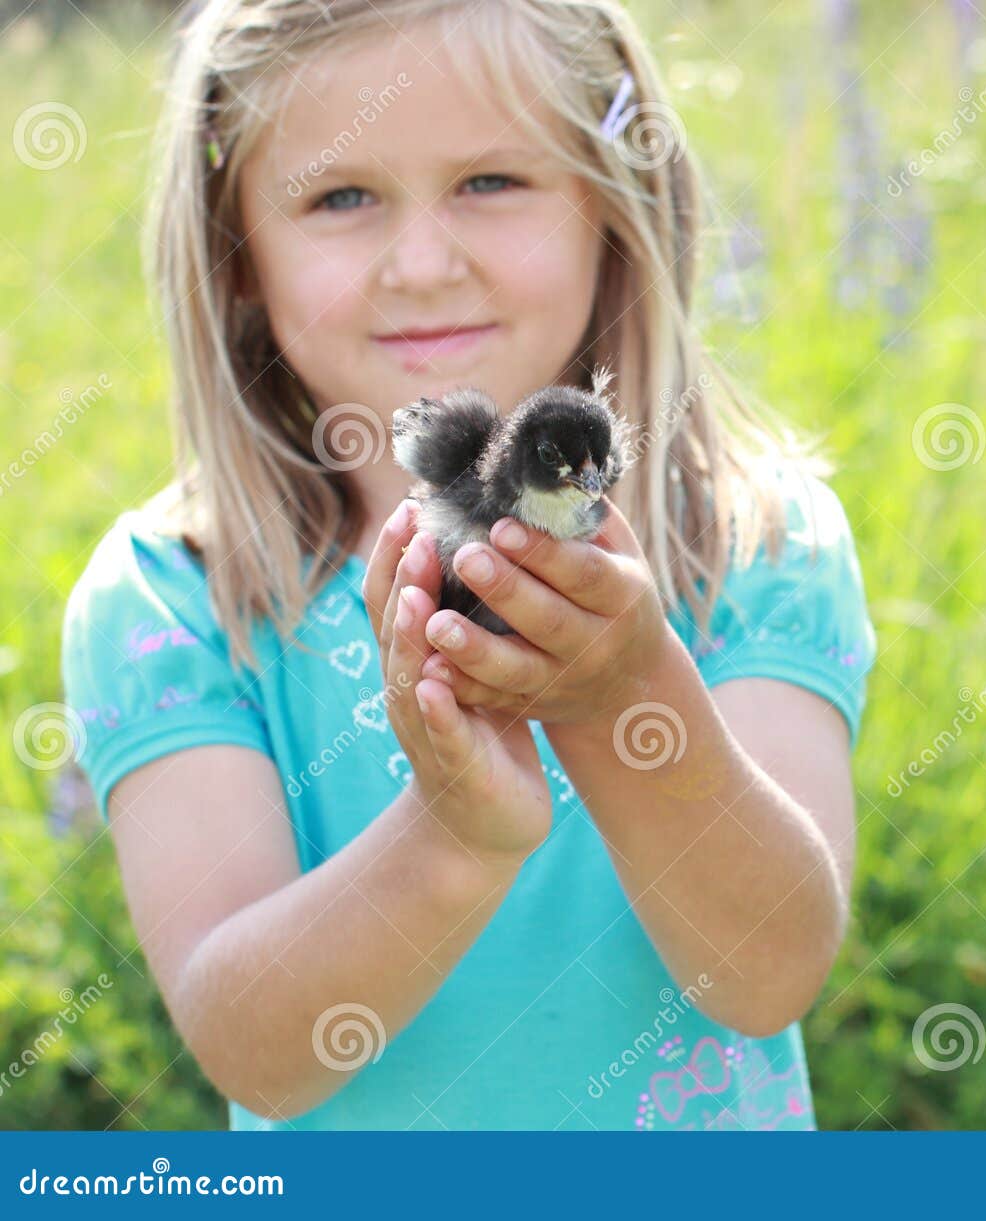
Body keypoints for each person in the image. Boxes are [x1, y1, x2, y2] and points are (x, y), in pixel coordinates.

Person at [59, 0, 876, 1131]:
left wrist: (623, 697)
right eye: (341, 197)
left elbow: (768, 969)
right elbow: (257, 1052)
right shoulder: (180, 597)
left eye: (491, 181)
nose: (424, 264)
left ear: (613, 203)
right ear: (233, 249)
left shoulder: (751, 542)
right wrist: (451, 835)